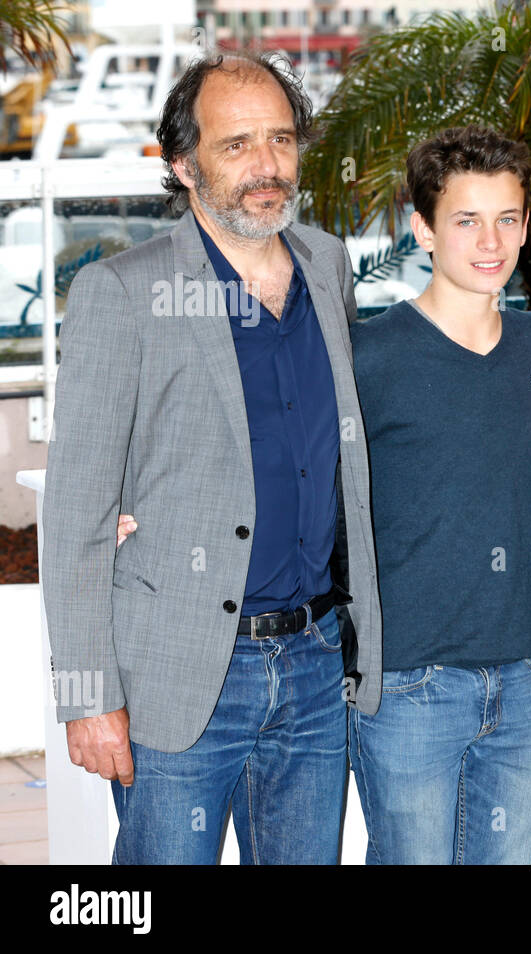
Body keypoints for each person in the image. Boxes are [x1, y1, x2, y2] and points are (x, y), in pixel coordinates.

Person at [45, 51, 381, 864]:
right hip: (180, 671)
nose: (267, 167)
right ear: (183, 164)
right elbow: (75, 514)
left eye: (280, 140)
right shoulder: (122, 293)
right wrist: (89, 698)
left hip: (313, 662)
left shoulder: (327, 265)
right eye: (236, 146)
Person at [346, 126, 531, 864]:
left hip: (528, 680)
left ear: (528, 224)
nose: (490, 240)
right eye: (466, 219)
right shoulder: (368, 355)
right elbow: (293, 470)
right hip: (410, 684)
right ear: (423, 228)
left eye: (507, 218)